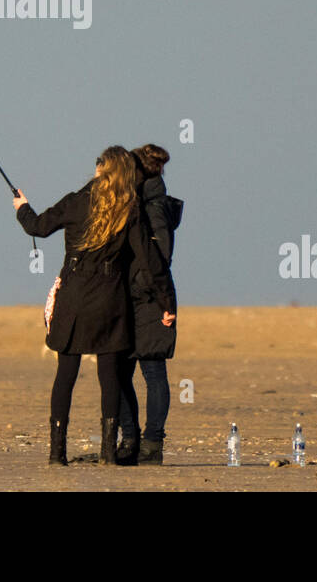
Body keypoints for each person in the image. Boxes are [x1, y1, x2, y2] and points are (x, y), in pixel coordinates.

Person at [14, 146, 149, 466]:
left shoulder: (76, 201)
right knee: (109, 376)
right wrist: (164, 299)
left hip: (74, 296)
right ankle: (107, 454)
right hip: (110, 299)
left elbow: (37, 227)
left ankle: (56, 453)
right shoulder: (130, 209)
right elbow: (146, 258)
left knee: (66, 373)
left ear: (101, 169)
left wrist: (21, 207)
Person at [116, 144, 183, 465]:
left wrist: (145, 292)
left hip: (152, 300)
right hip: (131, 299)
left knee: (153, 372)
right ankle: (129, 439)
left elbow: (160, 258)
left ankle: (152, 443)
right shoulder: (138, 203)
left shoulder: (154, 207)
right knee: (118, 371)